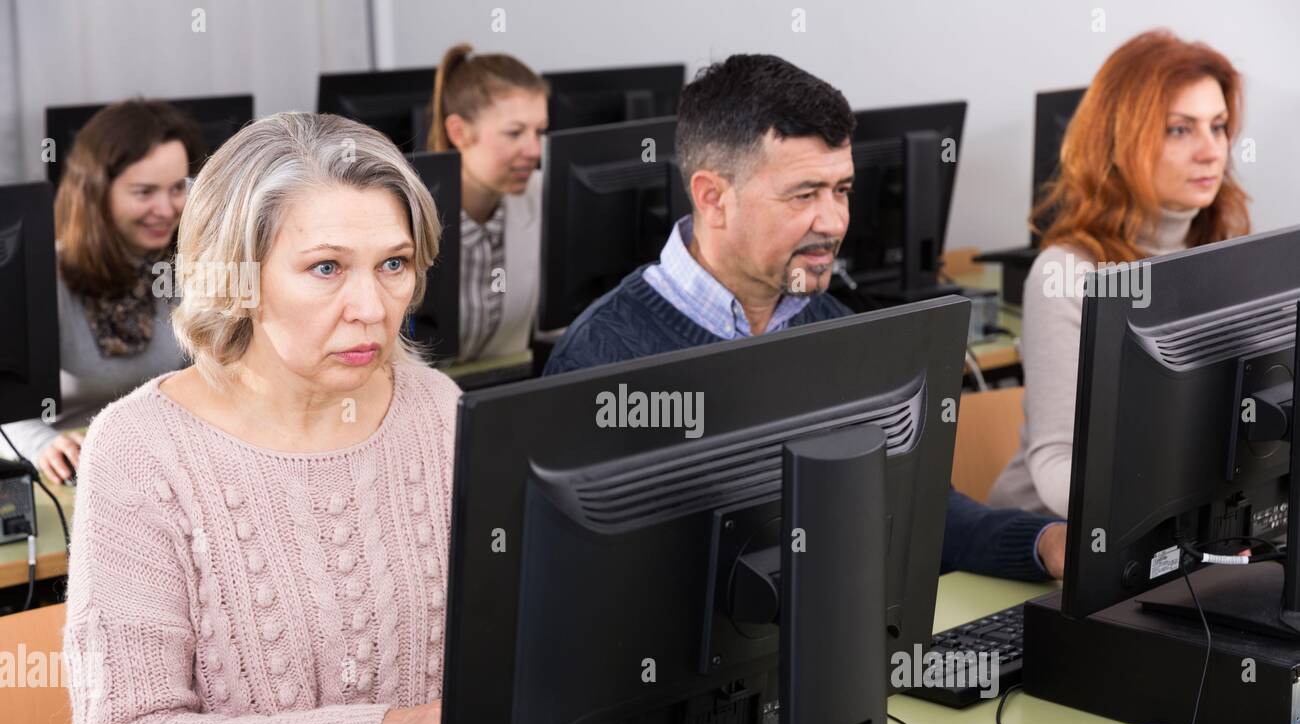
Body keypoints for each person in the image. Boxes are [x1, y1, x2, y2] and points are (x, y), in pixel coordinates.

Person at [64, 113, 459, 724]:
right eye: (326, 268)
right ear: (237, 277)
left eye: (394, 264)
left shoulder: (436, 408)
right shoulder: (139, 450)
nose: (371, 308)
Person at [545, 54, 1066, 582]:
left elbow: (913, 506)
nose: (835, 221)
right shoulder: (598, 360)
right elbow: (575, 589)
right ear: (712, 198)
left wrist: (1041, 543)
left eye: (841, 190)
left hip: (826, 649)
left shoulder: (835, 326)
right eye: (804, 194)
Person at [989, 30, 1250, 518]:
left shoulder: (1220, 250)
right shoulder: (1067, 273)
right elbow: (1056, 460)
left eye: (1218, 126)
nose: (1211, 151)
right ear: (1121, 141)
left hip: (1179, 523)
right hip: (1053, 536)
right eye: (1180, 129)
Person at [1, 99, 205, 483]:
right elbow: (6, 408)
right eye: (144, 192)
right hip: (76, 467)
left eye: (177, 188)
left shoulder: (189, 263)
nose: (166, 208)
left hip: (165, 459)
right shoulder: (49, 276)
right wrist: (43, 444)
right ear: (96, 193)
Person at [428, 43, 547, 363]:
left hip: (504, 395)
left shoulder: (542, 196)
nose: (534, 150)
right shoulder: (406, 218)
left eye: (539, 132)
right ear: (459, 132)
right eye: (514, 133)